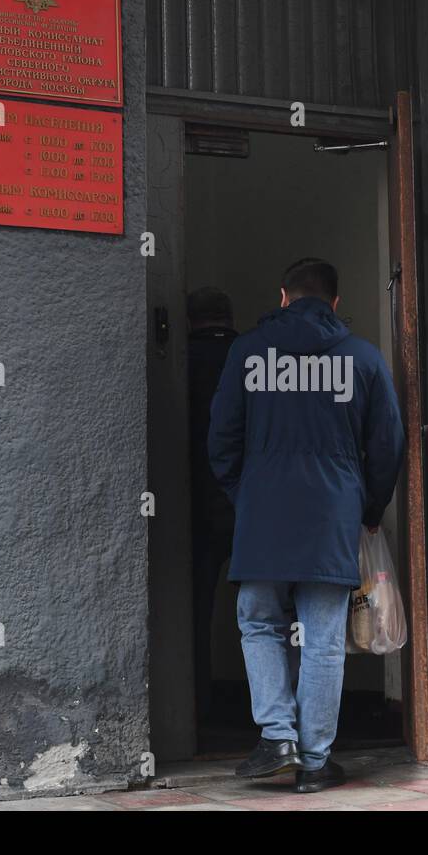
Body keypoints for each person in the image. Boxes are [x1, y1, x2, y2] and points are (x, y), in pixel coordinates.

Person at [207, 257, 404, 793]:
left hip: (264, 513)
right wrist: (367, 511)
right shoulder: (362, 358)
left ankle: (277, 736)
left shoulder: (246, 352)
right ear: (335, 303)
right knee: (322, 640)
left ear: (283, 296)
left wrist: (245, 496)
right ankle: (315, 762)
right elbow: (388, 445)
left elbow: (221, 442)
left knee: (258, 621)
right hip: (333, 515)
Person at [185, 287, 239, 726]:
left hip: (195, 505)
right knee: (268, 615)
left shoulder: (179, 360)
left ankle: (196, 711)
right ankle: (271, 721)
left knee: (195, 613)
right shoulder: (250, 357)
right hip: (250, 507)